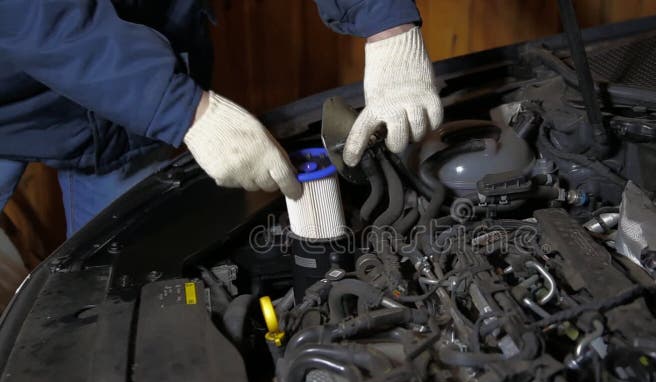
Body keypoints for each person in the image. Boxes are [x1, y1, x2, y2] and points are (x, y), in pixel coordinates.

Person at [0, 0, 443, 237]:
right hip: (21, 87)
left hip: (123, 116)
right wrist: (182, 109)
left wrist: (388, 27)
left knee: (126, 274)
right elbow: (34, 16)